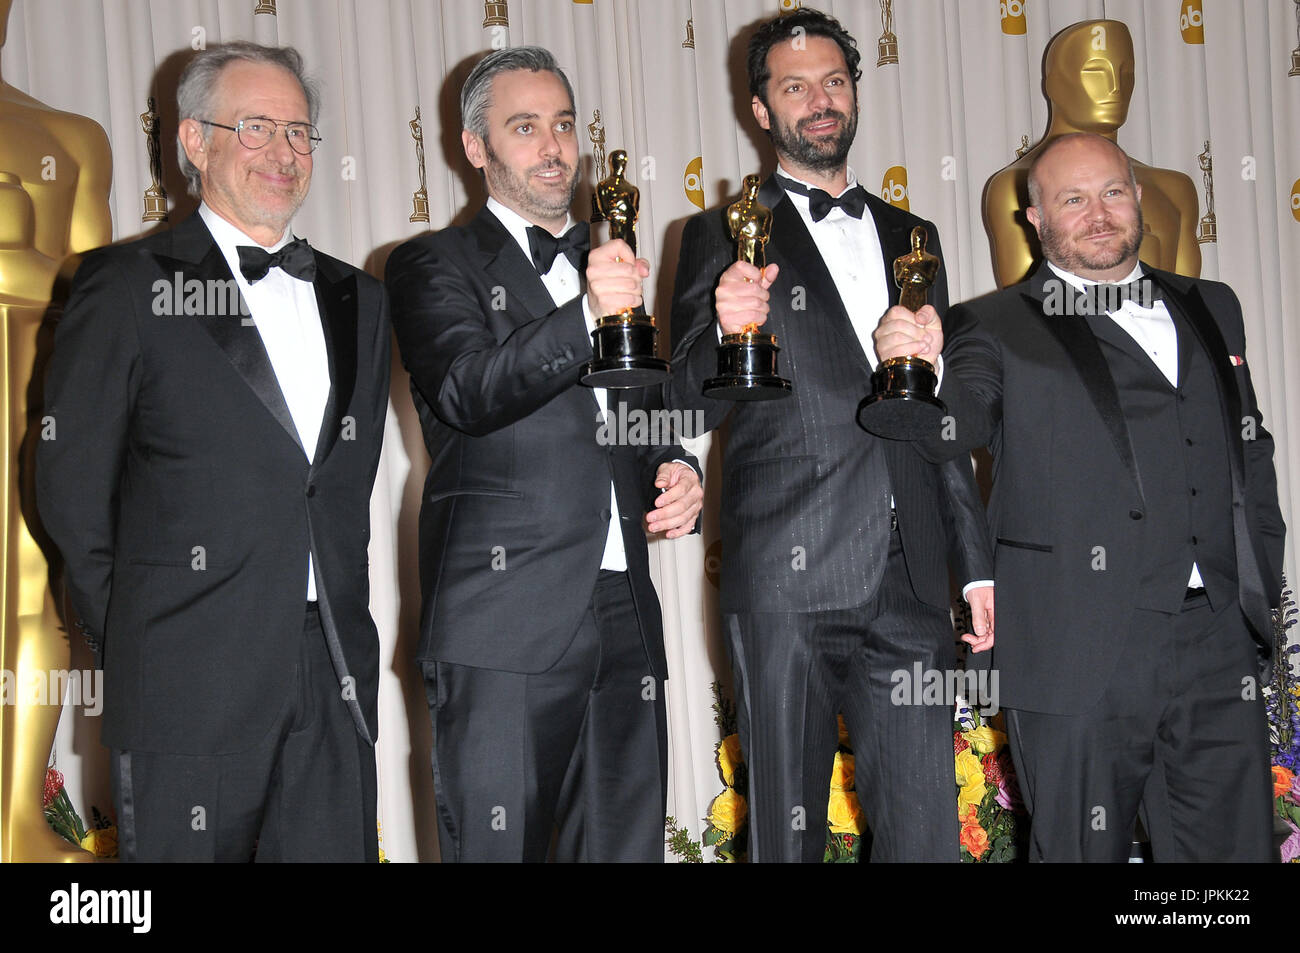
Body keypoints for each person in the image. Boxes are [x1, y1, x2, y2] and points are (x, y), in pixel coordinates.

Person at [36, 42, 391, 862]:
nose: (284, 153)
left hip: (333, 673)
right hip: (183, 682)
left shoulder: (362, 300)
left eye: (299, 132)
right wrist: (143, 642)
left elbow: (337, 488)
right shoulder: (122, 285)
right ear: (194, 142)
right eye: (257, 127)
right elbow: (70, 489)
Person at [667, 8, 994, 863]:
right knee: (787, 839)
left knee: (925, 836)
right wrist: (724, 322)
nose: (820, 101)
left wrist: (975, 563)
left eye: (835, 82)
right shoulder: (714, 235)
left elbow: (939, 418)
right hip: (786, 576)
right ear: (761, 111)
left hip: (913, 581)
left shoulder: (911, 238)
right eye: (795, 86)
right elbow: (684, 404)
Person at [915, 132, 1284, 861]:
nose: (1099, 213)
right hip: (1073, 643)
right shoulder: (991, 323)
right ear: (1034, 218)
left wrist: (1259, 580)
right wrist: (919, 373)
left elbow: (1251, 444)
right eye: (1073, 199)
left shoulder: (1212, 303)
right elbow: (947, 437)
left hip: (1214, 636)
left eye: (1113, 191)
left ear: (1139, 197)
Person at [385, 46, 702, 863]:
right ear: (475, 147)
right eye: (524, 127)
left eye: (563, 124)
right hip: (503, 622)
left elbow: (632, 413)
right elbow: (467, 391)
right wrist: (588, 310)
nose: (554, 146)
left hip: (625, 615)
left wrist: (675, 464)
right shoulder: (431, 263)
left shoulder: (615, 263)